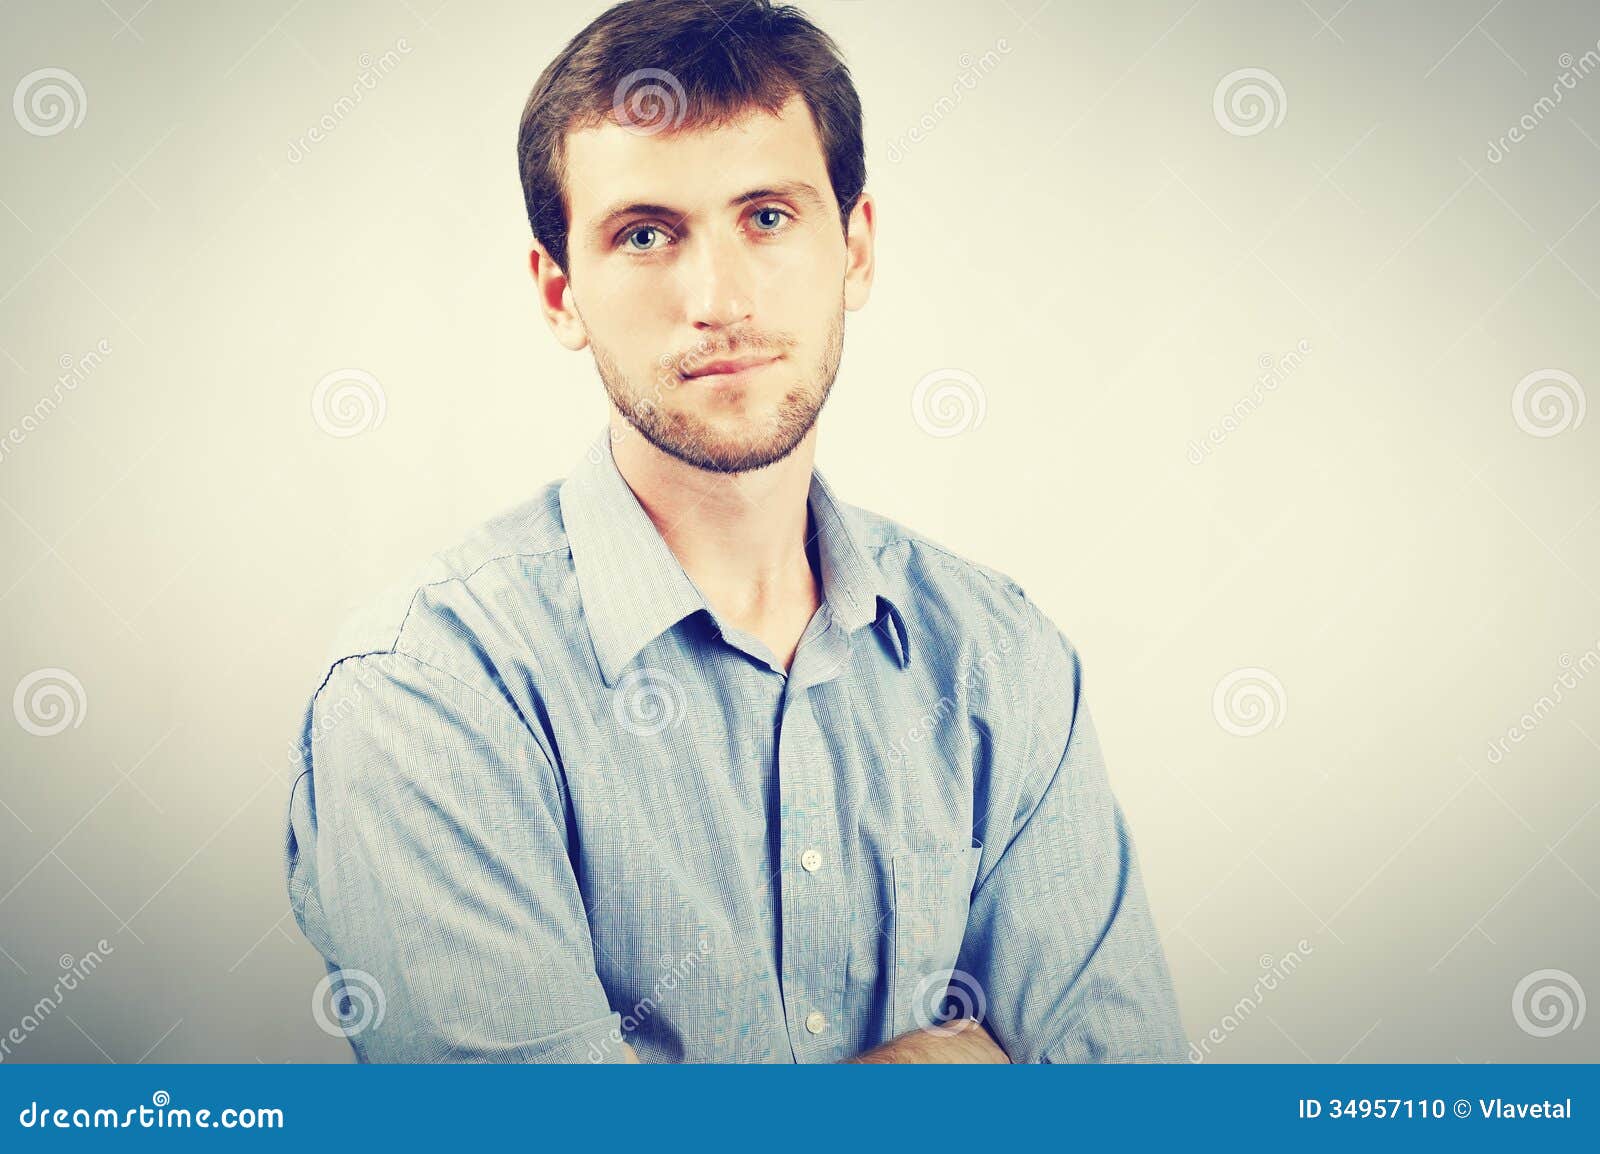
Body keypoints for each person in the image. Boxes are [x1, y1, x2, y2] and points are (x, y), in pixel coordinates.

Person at [283, 0, 1186, 1063]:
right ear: (560, 291)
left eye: (766, 216)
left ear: (854, 247)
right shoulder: (428, 691)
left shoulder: (1003, 658)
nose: (717, 298)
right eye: (646, 234)